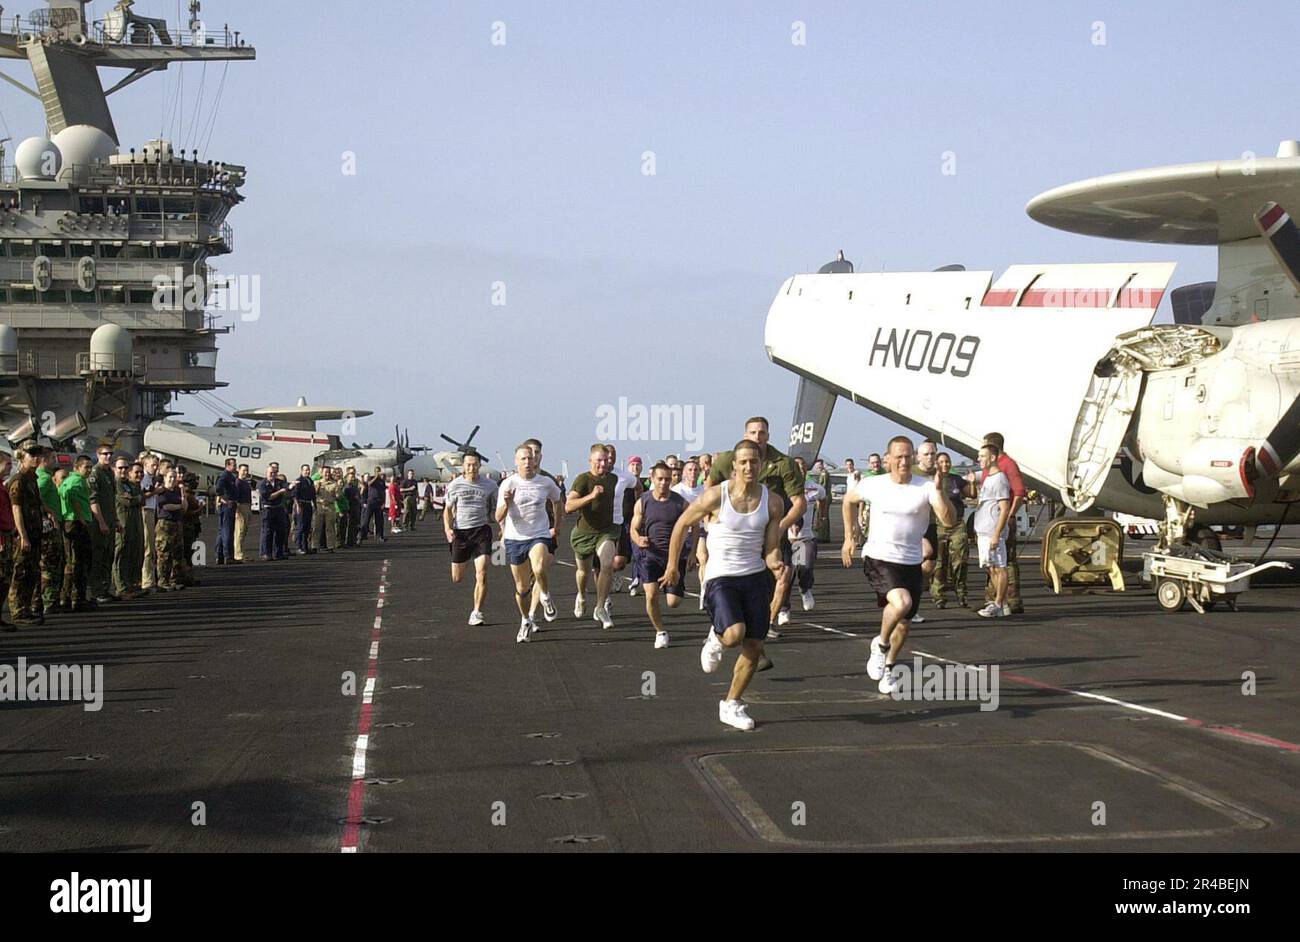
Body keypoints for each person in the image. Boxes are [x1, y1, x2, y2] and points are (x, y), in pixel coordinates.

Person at [662, 439, 785, 731]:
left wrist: (776, 562)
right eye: (742, 462)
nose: (748, 467)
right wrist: (672, 566)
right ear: (733, 467)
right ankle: (715, 640)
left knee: (754, 645)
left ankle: (732, 703)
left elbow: (770, 548)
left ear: (761, 465)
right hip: (721, 577)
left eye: (753, 462)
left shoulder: (773, 502)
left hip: (754, 577)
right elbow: (681, 525)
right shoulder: (716, 497)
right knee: (734, 634)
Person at [840, 436, 957, 695]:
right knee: (901, 603)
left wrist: (940, 492)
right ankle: (880, 646)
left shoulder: (925, 487)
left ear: (913, 458)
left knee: (904, 623)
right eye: (898, 457)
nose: (903, 462)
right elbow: (848, 501)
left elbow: (949, 521)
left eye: (907, 456)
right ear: (888, 459)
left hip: (911, 562)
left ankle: (890, 668)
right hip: (879, 558)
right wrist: (850, 536)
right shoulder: (874, 484)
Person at [707, 417, 805, 642]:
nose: (757, 437)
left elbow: (799, 503)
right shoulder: (728, 459)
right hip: (739, 532)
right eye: (752, 432)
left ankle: (768, 622)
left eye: (761, 433)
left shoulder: (783, 463)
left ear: (768, 436)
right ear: (745, 435)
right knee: (733, 582)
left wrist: (781, 526)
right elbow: (709, 488)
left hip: (773, 527)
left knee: (783, 575)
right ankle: (720, 624)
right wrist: (711, 519)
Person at [497, 444, 563, 643]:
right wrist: (508, 503)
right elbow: (498, 516)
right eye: (523, 459)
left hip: (539, 535)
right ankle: (525, 620)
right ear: (516, 462)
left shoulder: (545, 482)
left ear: (536, 460)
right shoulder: (508, 484)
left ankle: (545, 595)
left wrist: (558, 525)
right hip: (515, 538)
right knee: (522, 589)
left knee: (539, 567)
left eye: (530, 458)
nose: (527, 462)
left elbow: (558, 501)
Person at [631, 462, 694, 649]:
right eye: (660, 479)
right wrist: (638, 539)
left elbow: (695, 525)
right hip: (650, 554)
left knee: (673, 602)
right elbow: (634, 528)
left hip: (674, 557)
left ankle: (672, 588)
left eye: (668, 479)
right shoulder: (643, 501)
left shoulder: (680, 502)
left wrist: (692, 551)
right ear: (652, 479)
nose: (664, 483)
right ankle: (660, 631)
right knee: (651, 596)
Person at [567, 444, 621, 629]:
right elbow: (568, 506)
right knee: (583, 571)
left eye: (606, 460)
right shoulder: (583, 479)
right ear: (590, 460)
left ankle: (600, 607)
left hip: (606, 531)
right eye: (599, 460)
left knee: (607, 564)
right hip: (583, 533)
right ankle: (581, 595)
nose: (603, 464)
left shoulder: (614, 479)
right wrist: (591, 496)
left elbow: (634, 488)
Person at [444, 451, 498, 626]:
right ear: (463, 466)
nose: (471, 467)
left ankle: (476, 612)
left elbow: (499, 507)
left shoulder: (490, 485)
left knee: (482, 572)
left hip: (481, 531)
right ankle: (464, 559)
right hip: (461, 533)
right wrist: (447, 529)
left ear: (480, 465)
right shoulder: (454, 485)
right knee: (457, 578)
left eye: (475, 464)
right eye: (468, 464)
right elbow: (447, 510)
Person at [981, 432, 1027, 614]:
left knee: (1005, 562)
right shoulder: (990, 468)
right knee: (991, 563)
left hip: (1002, 521)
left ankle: (1011, 599)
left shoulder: (1008, 465)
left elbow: (1019, 492)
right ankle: (996, 598)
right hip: (988, 523)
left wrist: (1010, 516)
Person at [970, 443, 1012, 618]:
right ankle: (1000, 602)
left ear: (993, 458)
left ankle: (999, 603)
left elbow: (1004, 507)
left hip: (992, 531)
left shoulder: (1000, 479)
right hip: (983, 531)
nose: (979, 459)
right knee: (991, 568)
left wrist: (996, 534)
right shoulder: (988, 478)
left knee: (999, 567)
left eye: (982, 456)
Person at [780, 456, 825, 619]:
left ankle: (805, 588)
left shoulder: (814, 488)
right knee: (786, 577)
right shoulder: (783, 488)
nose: (800, 468)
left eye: (803, 465)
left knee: (805, 566)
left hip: (805, 537)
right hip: (786, 539)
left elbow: (823, 499)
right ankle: (784, 609)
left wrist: (821, 516)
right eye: (796, 465)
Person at [8, 444, 46, 627]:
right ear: (22, 457)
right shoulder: (19, 480)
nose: (36, 458)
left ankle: (27, 608)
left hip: (35, 533)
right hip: (24, 535)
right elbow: (16, 509)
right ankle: (18, 611)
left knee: (32, 572)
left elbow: (37, 505)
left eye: (38, 454)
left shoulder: (32, 478)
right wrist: (23, 535)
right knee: (21, 573)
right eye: (32, 454)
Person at [930, 452, 970, 608]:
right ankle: (938, 595)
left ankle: (961, 592)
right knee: (940, 563)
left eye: (947, 461)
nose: (945, 464)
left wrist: (972, 483)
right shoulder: (931, 480)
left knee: (960, 561)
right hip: (938, 524)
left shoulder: (956, 480)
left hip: (957, 524)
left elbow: (971, 493)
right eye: (941, 462)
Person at [59, 455, 95, 609]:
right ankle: (77, 598)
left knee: (72, 562)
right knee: (79, 561)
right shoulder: (77, 480)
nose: (89, 470)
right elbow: (70, 495)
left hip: (70, 522)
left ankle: (67, 597)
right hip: (75, 523)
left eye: (90, 467)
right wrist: (80, 517)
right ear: (77, 467)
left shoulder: (69, 480)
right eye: (86, 467)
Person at [87, 444, 120, 603]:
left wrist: (115, 520)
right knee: (98, 557)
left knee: (108, 556)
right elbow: (94, 501)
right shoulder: (95, 473)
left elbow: (112, 500)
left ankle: (105, 589)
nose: (108, 456)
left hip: (110, 520)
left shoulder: (108, 473)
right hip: (99, 522)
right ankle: (97, 591)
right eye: (104, 454)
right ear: (98, 454)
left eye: (110, 454)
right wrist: (101, 522)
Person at [35, 449, 66, 613]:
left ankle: (46, 600)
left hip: (51, 524)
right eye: (52, 458)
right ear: (43, 460)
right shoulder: (45, 479)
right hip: (49, 527)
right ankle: (49, 601)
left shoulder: (43, 476)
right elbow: (35, 497)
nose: (55, 460)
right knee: (50, 564)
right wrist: (50, 512)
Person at [112, 457, 144, 598]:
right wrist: (137, 499)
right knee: (121, 555)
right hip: (122, 522)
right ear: (115, 469)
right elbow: (127, 501)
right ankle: (121, 587)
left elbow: (140, 498)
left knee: (133, 553)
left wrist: (137, 498)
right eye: (120, 468)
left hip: (134, 523)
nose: (123, 470)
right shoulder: (117, 484)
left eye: (125, 468)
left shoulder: (130, 485)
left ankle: (130, 584)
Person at [154, 469, 185, 590]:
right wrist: (178, 506)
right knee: (164, 553)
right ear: (165, 478)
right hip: (165, 524)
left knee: (177, 553)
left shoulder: (177, 491)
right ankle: (163, 581)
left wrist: (182, 495)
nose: (172, 480)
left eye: (174, 477)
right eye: (170, 477)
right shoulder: (162, 491)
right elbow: (166, 506)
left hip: (176, 522)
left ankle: (174, 580)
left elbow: (184, 507)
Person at [258, 463, 290, 560]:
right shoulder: (262, 483)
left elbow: (288, 487)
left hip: (278, 509)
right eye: (271, 473)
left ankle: (278, 552)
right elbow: (268, 497)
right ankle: (266, 553)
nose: (272, 474)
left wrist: (291, 486)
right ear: (266, 473)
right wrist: (280, 492)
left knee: (280, 531)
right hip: (268, 509)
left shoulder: (279, 482)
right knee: (268, 532)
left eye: (274, 472)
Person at [140, 453, 162, 587]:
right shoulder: (144, 478)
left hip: (152, 511)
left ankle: (149, 579)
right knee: (148, 546)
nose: (155, 468)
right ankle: (147, 581)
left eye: (156, 465)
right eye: (153, 465)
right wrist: (156, 491)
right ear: (145, 465)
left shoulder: (152, 478)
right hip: (145, 510)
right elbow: (143, 495)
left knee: (151, 546)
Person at [212, 457, 237, 565]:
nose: (235, 467)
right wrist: (224, 501)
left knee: (222, 531)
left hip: (230, 504)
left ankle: (220, 556)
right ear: (228, 465)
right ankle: (228, 555)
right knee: (227, 531)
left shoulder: (230, 476)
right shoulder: (224, 476)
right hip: (227, 506)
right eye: (234, 465)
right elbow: (218, 490)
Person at [0, 453, 14, 629]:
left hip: (7, 533)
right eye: (7, 464)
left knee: (4, 579)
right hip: (2, 536)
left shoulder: (2, 486)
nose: (11, 467)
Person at [292, 464, 317, 554]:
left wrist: (315, 506)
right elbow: (294, 495)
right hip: (301, 504)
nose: (307, 471)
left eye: (308, 470)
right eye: (305, 470)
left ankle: (305, 546)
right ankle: (298, 547)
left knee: (307, 527)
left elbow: (313, 495)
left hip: (308, 505)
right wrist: (297, 506)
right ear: (301, 471)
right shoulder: (298, 481)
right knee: (300, 527)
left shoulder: (310, 481)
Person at [358, 467, 386, 543]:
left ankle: (380, 535)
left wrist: (384, 502)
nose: (378, 473)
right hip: (370, 501)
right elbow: (369, 484)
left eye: (379, 471)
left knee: (379, 520)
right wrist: (376, 477)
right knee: (365, 520)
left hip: (378, 502)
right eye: (377, 471)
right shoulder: (371, 478)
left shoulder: (382, 481)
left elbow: (383, 492)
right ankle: (361, 536)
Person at [233, 463, 253, 562]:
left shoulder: (245, 482)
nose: (245, 472)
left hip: (247, 506)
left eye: (247, 470)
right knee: (239, 531)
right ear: (238, 470)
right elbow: (235, 498)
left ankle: (241, 552)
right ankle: (238, 554)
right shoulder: (238, 482)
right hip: (241, 507)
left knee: (244, 531)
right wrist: (236, 511)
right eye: (243, 470)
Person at [342, 468, 361, 547]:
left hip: (355, 507)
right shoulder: (346, 488)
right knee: (349, 525)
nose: (352, 479)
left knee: (354, 525)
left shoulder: (354, 486)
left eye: (353, 477)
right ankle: (348, 541)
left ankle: (353, 540)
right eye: (350, 477)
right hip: (349, 507)